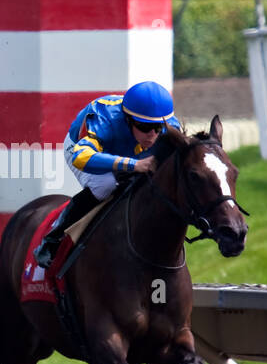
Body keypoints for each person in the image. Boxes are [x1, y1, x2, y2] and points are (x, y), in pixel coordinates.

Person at [33, 80, 183, 269]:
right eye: (145, 128)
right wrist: (133, 164)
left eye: (158, 128)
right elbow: (82, 157)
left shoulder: (170, 126)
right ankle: (52, 240)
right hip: (85, 152)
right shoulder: (106, 118)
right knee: (105, 185)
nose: (152, 135)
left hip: (130, 153)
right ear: (128, 119)